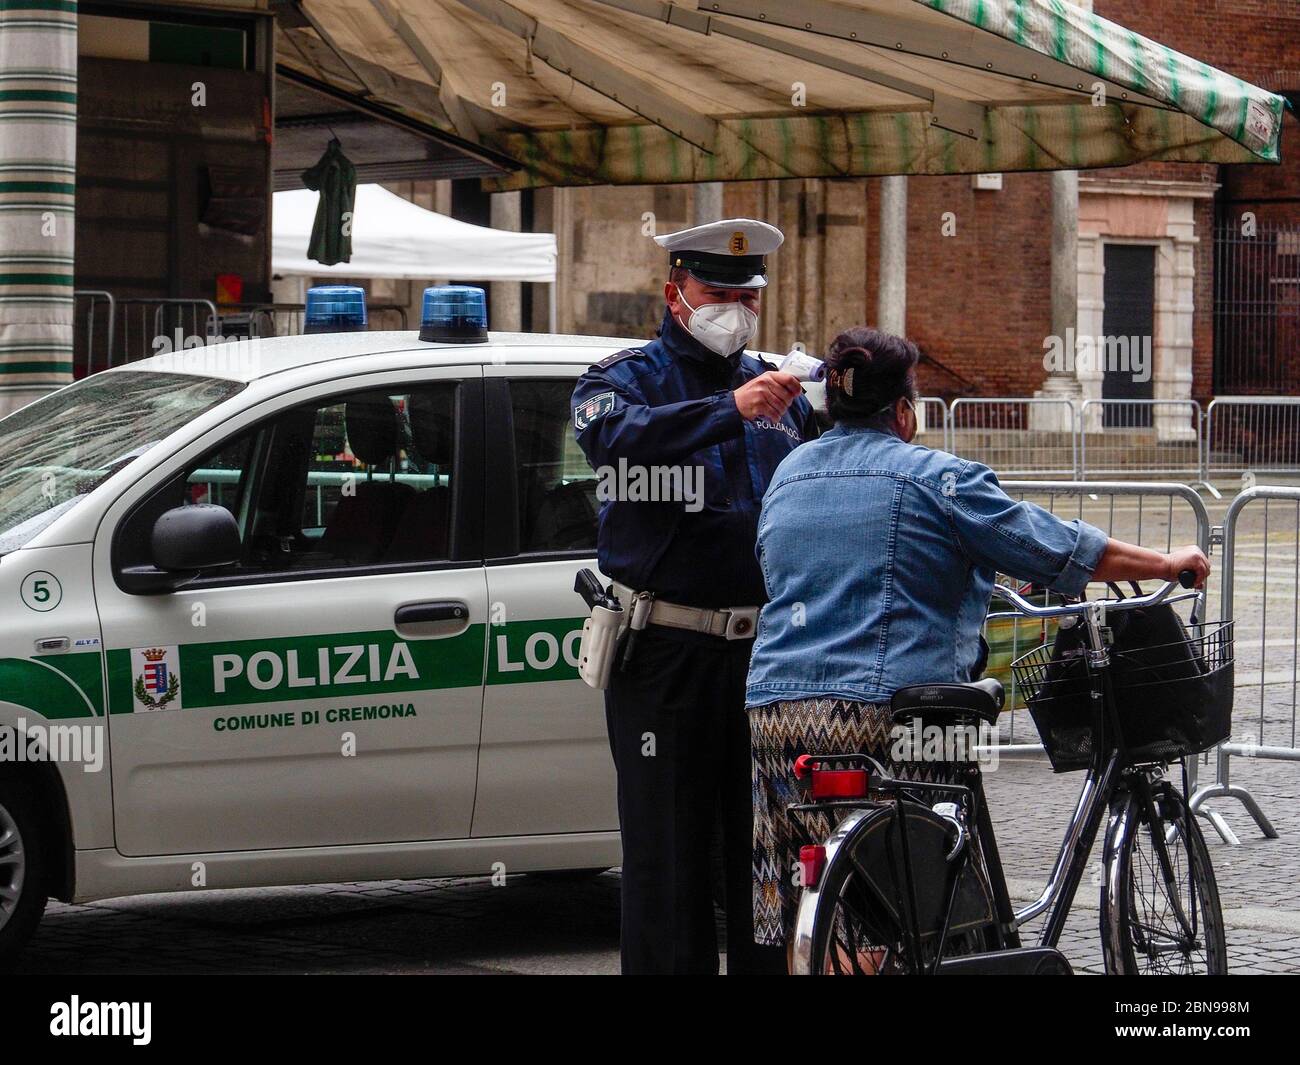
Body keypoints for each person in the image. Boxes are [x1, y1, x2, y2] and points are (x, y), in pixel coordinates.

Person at [744, 326, 1211, 962]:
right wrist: (1164, 563)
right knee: (918, 902)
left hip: (779, 717)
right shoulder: (936, 478)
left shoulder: (788, 475)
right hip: (896, 715)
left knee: (824, 902)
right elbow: (1051, 547)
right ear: (905, 411)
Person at [571, 218, 819, 975]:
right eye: (718, 292)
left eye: (749, 296)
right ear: (675, 291)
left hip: (765, 655)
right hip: (665, 654)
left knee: (765, 858)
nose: (736, 309)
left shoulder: (786, 390)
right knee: (666, 861)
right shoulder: (623, 379)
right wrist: (729, 411)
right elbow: (616, 440)